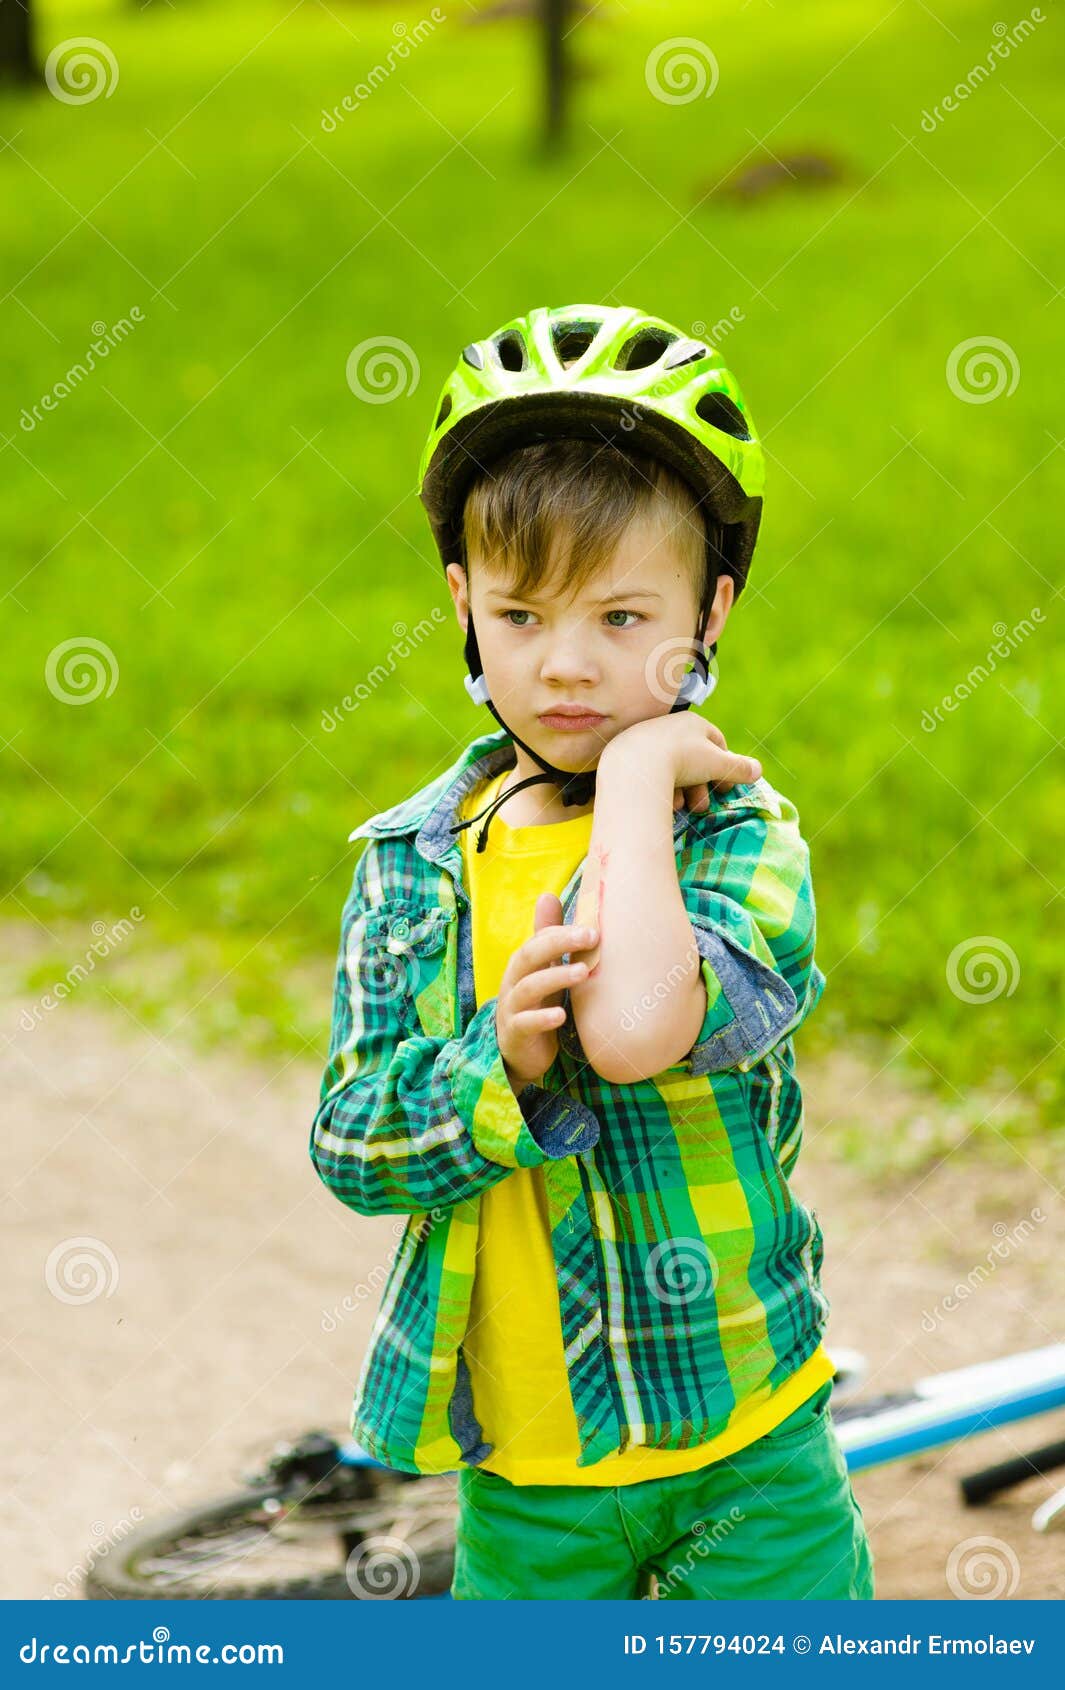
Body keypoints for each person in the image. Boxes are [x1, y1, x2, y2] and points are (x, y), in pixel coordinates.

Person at [310, 303, 875, 1601]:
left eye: (623, 619)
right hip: (528, 1473)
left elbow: (631, 1029)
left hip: (745, 1449)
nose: (565, 665)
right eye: (520, 614)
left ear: (709, 608)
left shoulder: (738, 834)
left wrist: (633, 776)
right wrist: (487, 1065)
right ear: (461, 605)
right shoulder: (408, 866)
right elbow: (347, 1139)